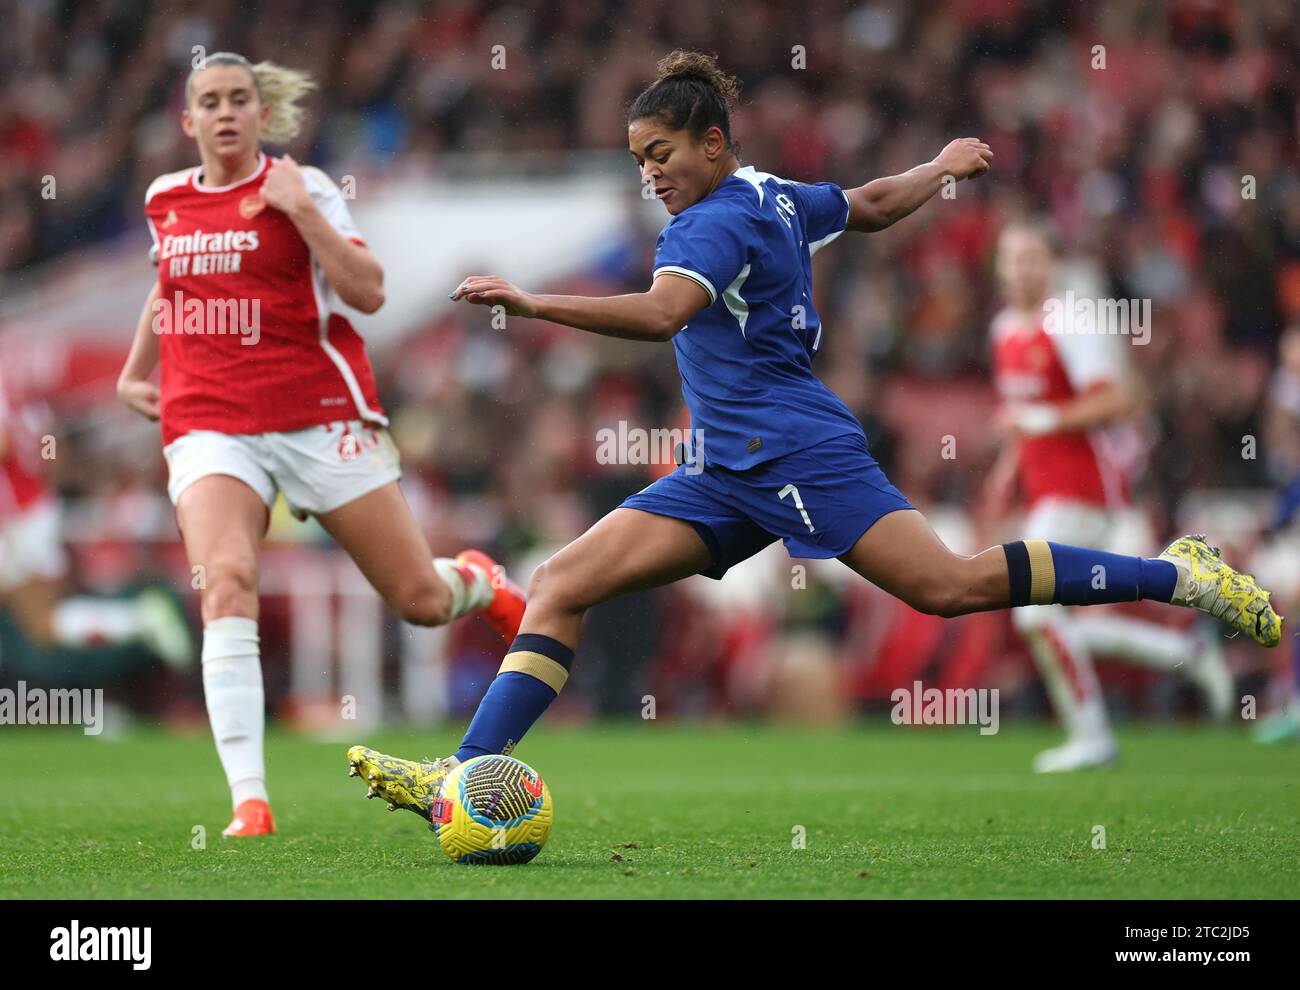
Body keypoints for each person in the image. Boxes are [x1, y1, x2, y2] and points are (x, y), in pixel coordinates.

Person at [347, 51, 1281, 821]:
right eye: (639, 159)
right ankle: (463, 775)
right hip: (722, 469)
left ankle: (1180, 574)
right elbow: (869, 202)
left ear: (713, 144)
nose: (651, 173)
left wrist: (529, 299)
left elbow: (663, 316)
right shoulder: (772, 194)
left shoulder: (706, 227)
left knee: (948, 586)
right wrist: (940, 169)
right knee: (560, 582)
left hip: (795, 451)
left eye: (664, 152)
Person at [117, 52, 524, 838]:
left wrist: (301, 208)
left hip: (317, 416)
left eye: (241, 99)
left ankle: (476, 580)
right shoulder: (164, 200)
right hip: (210, 423)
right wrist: (140, 371)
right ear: (189, 120)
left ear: (261, 116)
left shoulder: (307, 188)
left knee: (419, 601)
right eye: (211, 100)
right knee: (226, 580)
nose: (227, 112)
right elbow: (168, 283)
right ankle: (250, 801)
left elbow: (368, 291)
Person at [987, 221, 1233, 772]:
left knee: (1032, 613)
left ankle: (1093, 734)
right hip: (1045, 491)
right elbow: (1022, 423)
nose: (1022, 269)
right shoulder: (1004, 329)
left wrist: (1042, 418)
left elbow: (1116, 401)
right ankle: (1186, 651)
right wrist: (1008, 469)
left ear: (1050, 265)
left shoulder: (1069, 322)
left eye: (1033, 257)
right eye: (1013, 258)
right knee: (1055, 620)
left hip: (1085, 489)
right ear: (1000, 269)